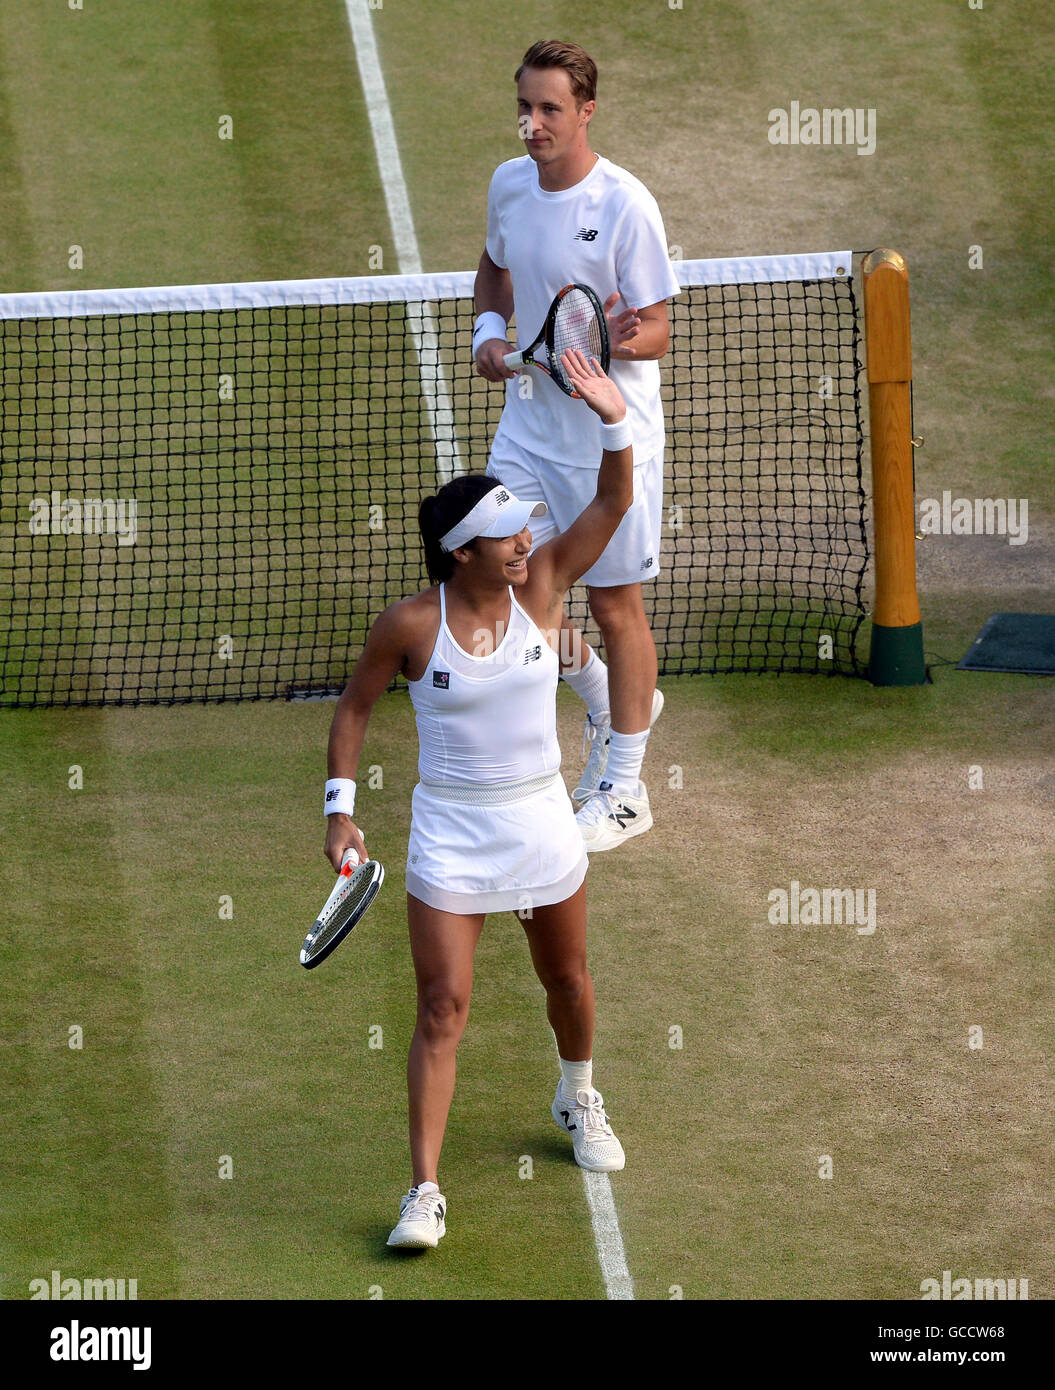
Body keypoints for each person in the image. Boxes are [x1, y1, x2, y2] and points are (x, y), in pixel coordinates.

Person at [324, 351, 634, 1250]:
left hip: (540, 821)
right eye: (508, 533)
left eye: (525, 529)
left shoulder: (540, 592)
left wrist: (614, 420)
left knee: (566, 980)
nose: (526, 542)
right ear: (463, 553)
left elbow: (610, 506)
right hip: (451, 833)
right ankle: (424, 1192)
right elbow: (354, 709)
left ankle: (577, 1096)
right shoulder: (410, 625)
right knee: (440, 1007)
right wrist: (339, 808)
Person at [474, 38, 681, 853]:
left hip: (606, 439)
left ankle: (624, 790)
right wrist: (491, 332)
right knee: (507, 577)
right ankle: (604, 696)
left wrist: (607, 346)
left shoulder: (628, 204)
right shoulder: (507, 183)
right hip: (527, 423)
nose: (532, 124)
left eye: (549, 109)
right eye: (524, 107)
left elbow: (658, 327)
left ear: (585, 111)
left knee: (610, 603)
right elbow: (494, 269)